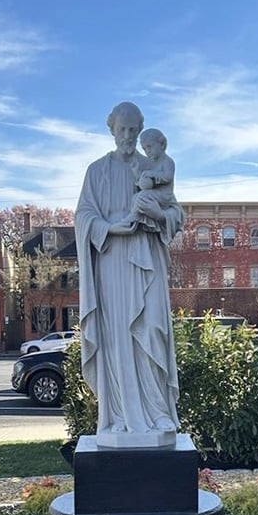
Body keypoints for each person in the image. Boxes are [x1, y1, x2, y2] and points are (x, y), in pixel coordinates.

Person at [75, 101, 183, 443]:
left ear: (141, 131)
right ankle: (120, 416)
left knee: (151, 327)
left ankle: (158, 413)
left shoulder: (152, 167)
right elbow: (82, 217)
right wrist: (111, 228)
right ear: (111, 129)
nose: (128, 136)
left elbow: (176, 212)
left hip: (147, 260)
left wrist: (161, 215)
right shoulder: (96, 171)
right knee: (118, 338)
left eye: (134, 130)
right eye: (122, 129)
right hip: (111, 262)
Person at [128, 128, 176, 233]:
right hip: (154, 193)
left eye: (149, 146)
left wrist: (153, 175)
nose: (147, 151)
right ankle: (137, 217)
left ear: (162, 144)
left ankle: (134, 217)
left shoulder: (167, 161)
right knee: (136, 197)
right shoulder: (151, 163)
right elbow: (145, 181)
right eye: (144, 148)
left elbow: (168, 176)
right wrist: (136, 172)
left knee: (142, 196)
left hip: (164, 196)